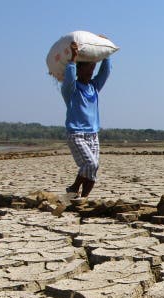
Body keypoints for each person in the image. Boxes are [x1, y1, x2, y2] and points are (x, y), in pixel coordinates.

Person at [62, 39, 111, 198]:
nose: (91, 71)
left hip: (93, 134)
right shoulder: (72, 90)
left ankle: (82, 200)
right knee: (90, 164)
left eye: (92, 68)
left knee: (92, 170)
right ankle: (73, 189)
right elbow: (69, 78)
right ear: (79, 70)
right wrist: (73, 58)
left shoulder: (94, 87)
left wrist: (106, 52)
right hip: (76, 134)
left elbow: (105, 72)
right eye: (88, 68)